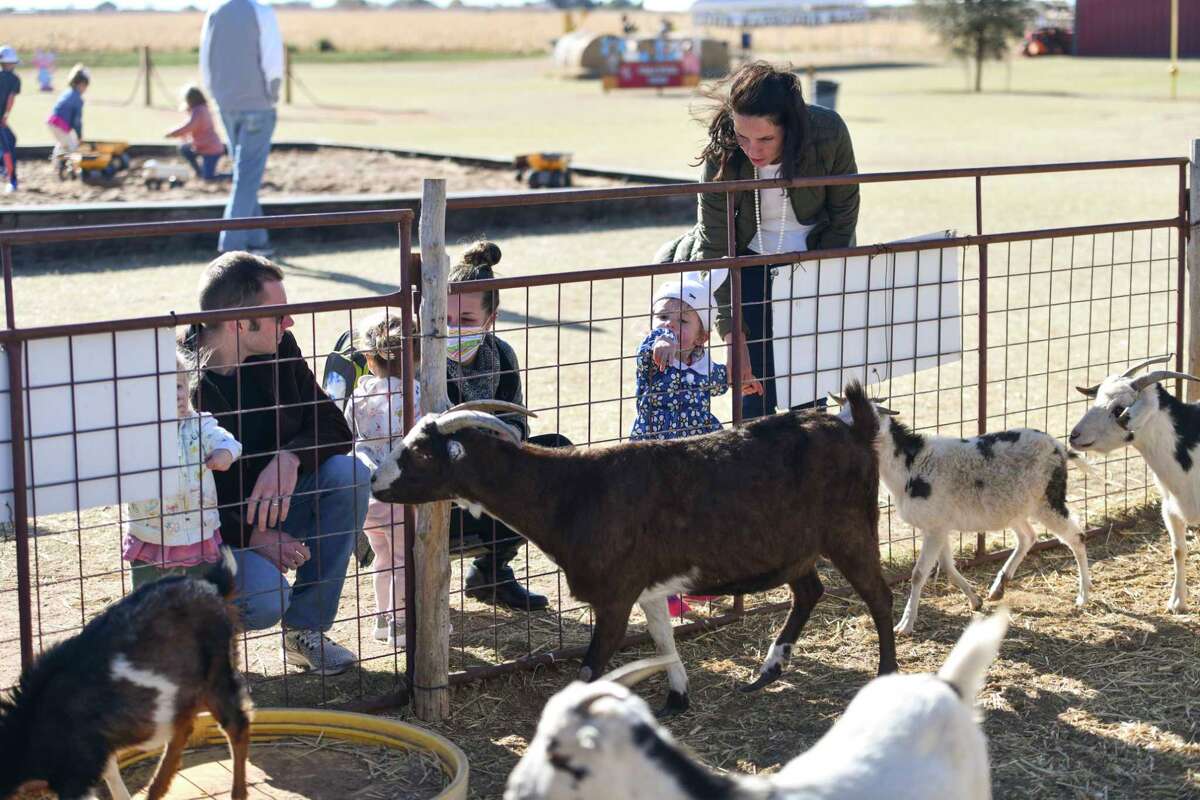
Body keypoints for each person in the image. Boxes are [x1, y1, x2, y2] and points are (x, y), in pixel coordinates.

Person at [184, 251, 370, 675]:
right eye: (278, 315)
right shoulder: (182, 384)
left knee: (351, 474)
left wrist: (290, 457)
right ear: (239, 322)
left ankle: (306, 631)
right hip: (211, 536)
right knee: (265, 602)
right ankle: (200, 643)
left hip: (278, 506)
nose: (289, 323)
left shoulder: (280, 348)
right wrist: (253, 536)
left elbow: (334, 426)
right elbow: (182, 499)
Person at [655, 61, 859, 420]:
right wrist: (732, 334)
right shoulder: (723, 150)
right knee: (752, 389)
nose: (753, 150)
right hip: (747, 263)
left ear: (791, 128)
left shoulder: (828, 132)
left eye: (766, 138)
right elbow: (714, 242)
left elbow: (843, 218)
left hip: (813, 263)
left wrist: (820, 289)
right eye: (743, 136)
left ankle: (809, 471)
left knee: (807, 391)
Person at [446, 241, 571, 612]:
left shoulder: (500, 355)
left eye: (466, 321)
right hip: (443, 482)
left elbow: (515, 416)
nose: (453, 329)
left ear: (491, 318)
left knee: (558, 453)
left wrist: (509, 435)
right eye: (444, 318)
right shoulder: (424, 358)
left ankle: (491, 571)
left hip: (491, 477)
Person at [629, 275, 727, 616]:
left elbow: (719, 383)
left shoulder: (702, 362)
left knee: (696, 520)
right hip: (655, 457)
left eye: (682, 320)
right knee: (658, 523)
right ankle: (659, 589)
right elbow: (651, 350)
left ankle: (694, 583)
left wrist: (742, 380)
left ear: (702, 335)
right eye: (662, 317)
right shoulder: (653, 358)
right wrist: (659, 341)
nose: (669, 325)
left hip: (694, 457)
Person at [122, 349, 242, 588]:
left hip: (198, 531)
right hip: (151, 533)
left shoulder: (200, 425)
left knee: (200, 598)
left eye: (178, 385)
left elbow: (229, 441)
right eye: (162, 387)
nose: (174, 394)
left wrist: (224, 453)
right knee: (150, 601)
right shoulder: (138, 432)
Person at [344, 313, 421, 644]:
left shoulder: (358, 395)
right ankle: (402, 626)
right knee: (406, 559)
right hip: (401, 494)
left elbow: (346, 434)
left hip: (368, 495)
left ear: (367, 357)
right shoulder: (416, 393)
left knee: (384, 557)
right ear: (418, 354)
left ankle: (382, 619)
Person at [200, 0, 284, 256]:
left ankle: (258, 241)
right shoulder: (262, 12)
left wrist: (215, 95)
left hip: (226, 103)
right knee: (247, 176)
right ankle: (231, 245)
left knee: (244, 175)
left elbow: (205, 59)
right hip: (258, 104)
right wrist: (273, 94)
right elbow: (272, 58)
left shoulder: (214, 11)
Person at [167, 85, 226, 181]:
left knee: (209, 177)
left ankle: (233, 176)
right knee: (184, 148)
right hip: (202, 146)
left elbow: (189, 126)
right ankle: (199, 172)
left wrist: (173, 133)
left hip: (211, 149)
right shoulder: (200, 109)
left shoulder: (199, 111)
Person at [46, 63, 88, 163]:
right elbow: (77, 121)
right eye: (85, 86)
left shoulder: (67, 92)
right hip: (60, 124)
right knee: (72, 147)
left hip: (52, 121)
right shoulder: (77, 99)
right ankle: (71, 168)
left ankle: (57, 163)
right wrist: (79, 136)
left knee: (63, 143)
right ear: (81, 85)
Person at [0, 46, 19, 194]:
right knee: (7, 148)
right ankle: (12, 181)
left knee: (11, 140)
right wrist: (5, 116)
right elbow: (11, 99)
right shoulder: (14, 79)